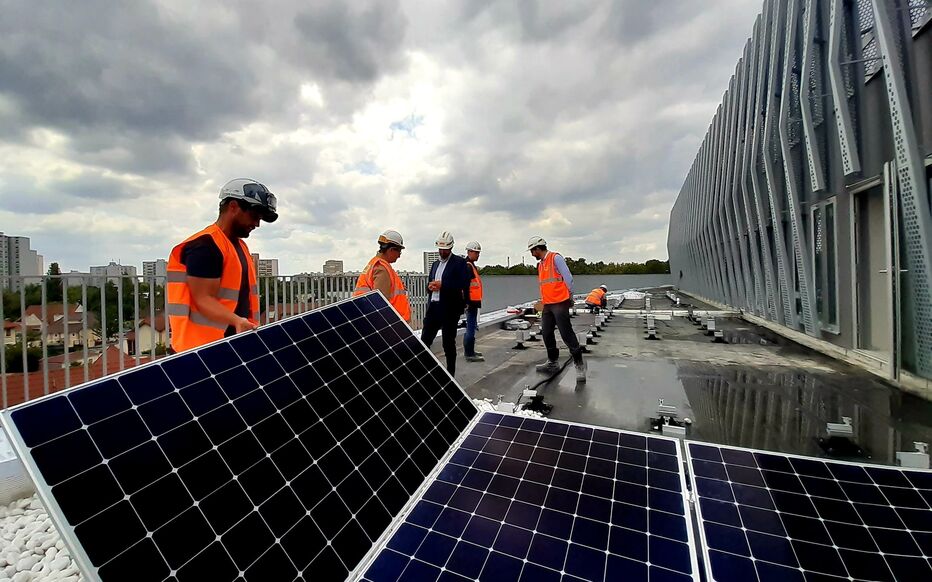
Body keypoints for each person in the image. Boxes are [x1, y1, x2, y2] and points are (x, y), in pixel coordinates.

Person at [167, 178, 278, 353]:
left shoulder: (239, 246)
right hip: (199, 352)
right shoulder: (204, 245)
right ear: (233, 207)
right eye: (254, 216)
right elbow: (202, 299)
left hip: (229, 344)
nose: (257, 224)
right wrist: (236, 321)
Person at [528, 236, 586, 382]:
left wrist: (570, 297)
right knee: (546, 333)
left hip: (560, 302)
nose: (531, 254)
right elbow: (546, 285)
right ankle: (552, 362)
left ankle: (579, 365)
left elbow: (568, 278)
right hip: (548, 304)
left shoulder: (555, 258)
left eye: (532, 251)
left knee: (566, 334)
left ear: (537, 248)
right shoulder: (541, 264)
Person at [422, 231, 471, 376]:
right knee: (424, 340)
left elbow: (463, 283)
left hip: (449, 309)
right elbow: (431, 283)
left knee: (448, 343)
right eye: (440, 249)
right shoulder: (435, 264)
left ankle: (450, 374)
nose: (442, 252)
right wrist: (429, 287)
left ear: (451, 248)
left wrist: (443, 285)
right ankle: (423, 372)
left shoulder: (459, 263)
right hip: (434, 307)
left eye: (445, 249)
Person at [353, 230, 411, 322]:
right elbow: (381, 302)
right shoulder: (382, 268)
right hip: (392, 321)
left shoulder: (376, 263)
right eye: (399, 251)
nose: (399, 256)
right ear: (391, 250)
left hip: (369, 314)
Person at [464, 241, 484, 363]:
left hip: (473, 301)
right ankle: (469, 353)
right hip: (471, 302)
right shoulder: (468, 266)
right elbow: (465, 286)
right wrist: (466, 302)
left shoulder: (471, 265)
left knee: (471, 326)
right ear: (469, 252)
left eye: (478, 253)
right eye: (476, 253)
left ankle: (471, 351)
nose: (477, 255)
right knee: (470, 328)